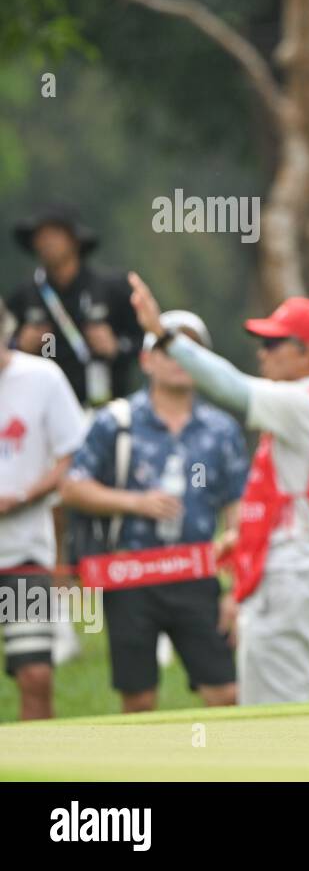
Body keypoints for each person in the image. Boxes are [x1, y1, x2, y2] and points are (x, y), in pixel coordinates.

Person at [126, 275, 309, 705]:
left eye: (274, 344)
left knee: (274, 718)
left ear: (307, 352)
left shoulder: (301, 402)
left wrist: (163, 335)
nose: (262, 352)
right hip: (301, 572)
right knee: (279, 710)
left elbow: (229, 386)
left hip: (292, 576)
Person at [61, 311, 246, 712]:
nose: (179, 359)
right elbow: (73, 487)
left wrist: (238, 591)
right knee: (139, 698)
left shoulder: (222, 429)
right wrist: (135, 503)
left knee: (225, 693)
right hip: (130, 576)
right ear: (146, 361)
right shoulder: (115, 421)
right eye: (167, 349)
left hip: (199, 575)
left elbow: (237, 510)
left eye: (191, 351)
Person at [0, 297, 87, 719]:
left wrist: (26, 495)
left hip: (24, 551)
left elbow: (71, 452)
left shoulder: (42, 377)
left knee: (35, 674)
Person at [7, 205, 143, 407]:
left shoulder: (111, 289)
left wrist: (116, 347)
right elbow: (5, 351)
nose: (46, 242)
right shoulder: (23, 296)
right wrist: (18, 346)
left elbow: (144, 342)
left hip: (104, 409)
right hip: (44, 410)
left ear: (75, 240)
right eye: (40, 236)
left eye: (54, 234)